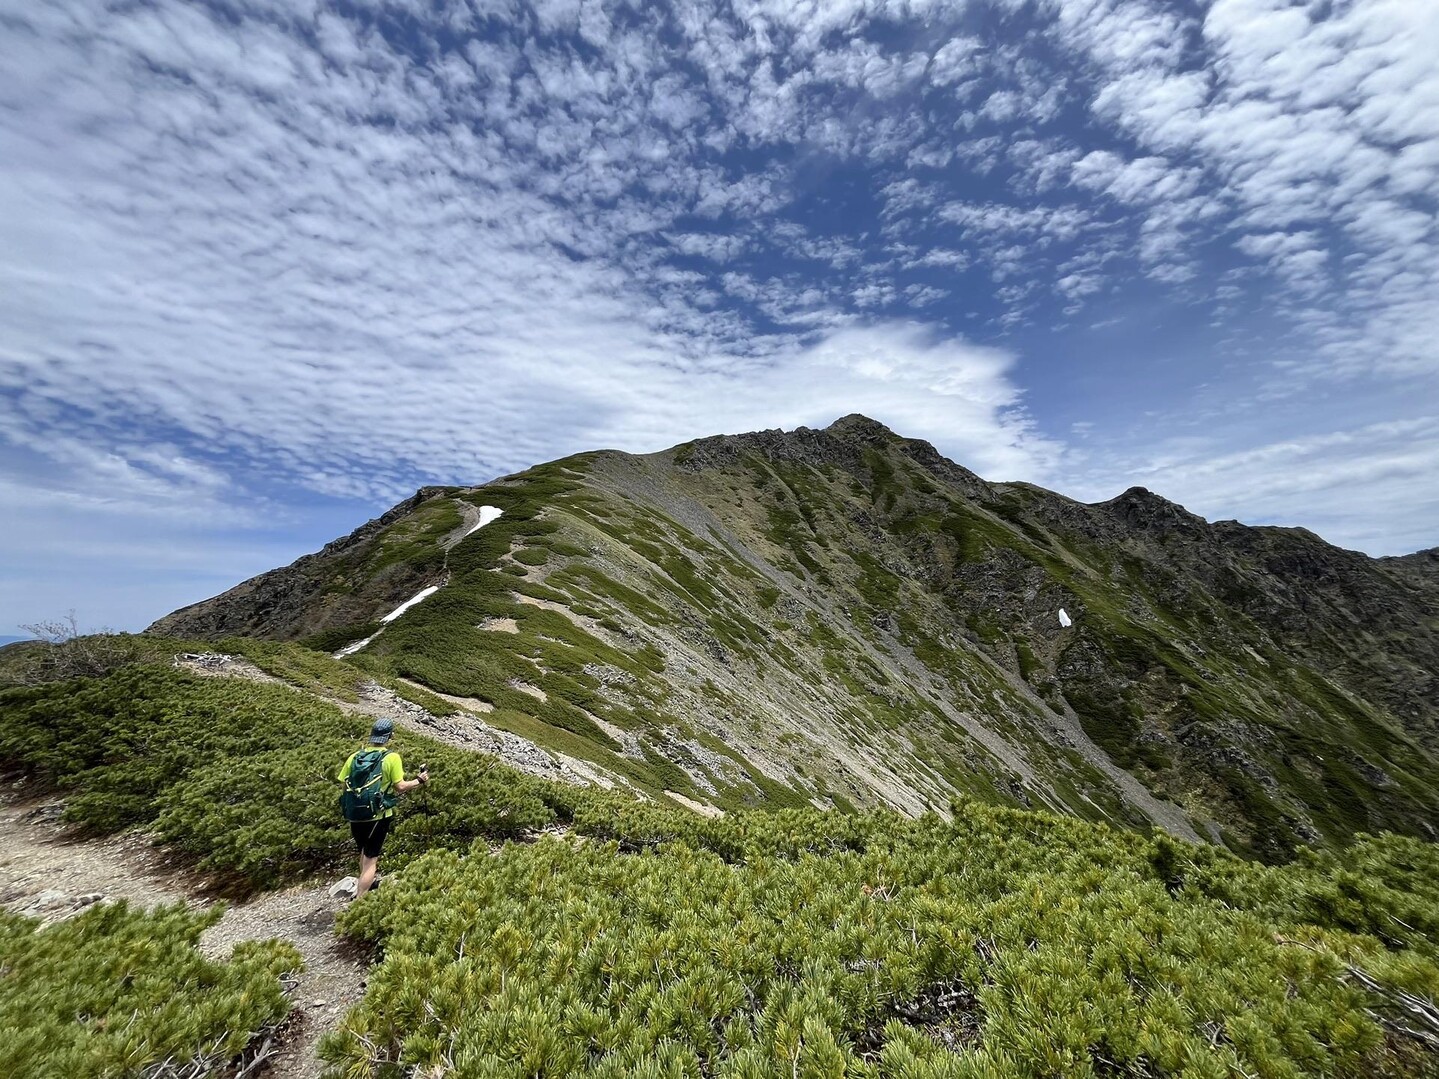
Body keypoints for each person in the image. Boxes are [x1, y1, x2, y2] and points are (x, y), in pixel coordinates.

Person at [336, 718, 429, 898]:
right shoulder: (391, 757)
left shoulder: (355, 757)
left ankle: (364, 883)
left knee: (364, 850)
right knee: (372, 858)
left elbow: (344, 784)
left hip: (355, 814)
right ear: (390, 736)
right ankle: (361, 899)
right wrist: (419, 780)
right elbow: (400, 787)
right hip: (378, 814)